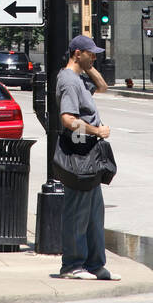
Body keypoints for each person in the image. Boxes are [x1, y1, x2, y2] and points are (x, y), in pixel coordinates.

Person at [56, 36, 121, 282]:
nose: (95, 57)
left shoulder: (79, 78)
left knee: (94, 213)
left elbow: (103, 87)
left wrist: (88, 65)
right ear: (77, 53)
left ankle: (95, 265)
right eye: (90, 53)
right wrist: (96, 131)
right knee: (78, 212)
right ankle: (72, 265)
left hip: (89, 153)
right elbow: (68, 120)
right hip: (78, 152)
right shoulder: (69, 82)